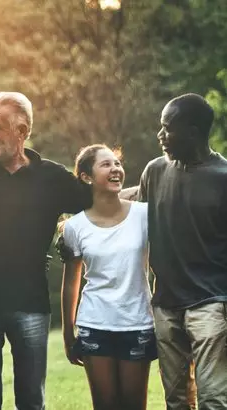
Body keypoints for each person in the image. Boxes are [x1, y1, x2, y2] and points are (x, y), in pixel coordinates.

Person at [0, 92, 89, 410]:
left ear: (22, 131)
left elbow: (99, 203)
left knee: (31, 400)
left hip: (31, 305)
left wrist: (148, 191)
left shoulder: (51, 177)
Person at [138, 93, 227, 409]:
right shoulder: (154, 172)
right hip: (165, 305)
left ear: (192, 131)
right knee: (175, 400)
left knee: (214, 398)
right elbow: (133, 224)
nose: (160, 135)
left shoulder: (223, 178)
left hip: (211, 305)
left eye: (167, 128)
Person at [60, 144, 155, 410]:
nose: (115, 169)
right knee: (105, 405)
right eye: (106, 164)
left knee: (134, 405)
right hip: (95, 324)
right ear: (86, 177)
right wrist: (69, 333)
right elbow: (71, 282)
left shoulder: (143, 215)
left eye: (117, 164)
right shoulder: (74, 227)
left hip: (137, 322)